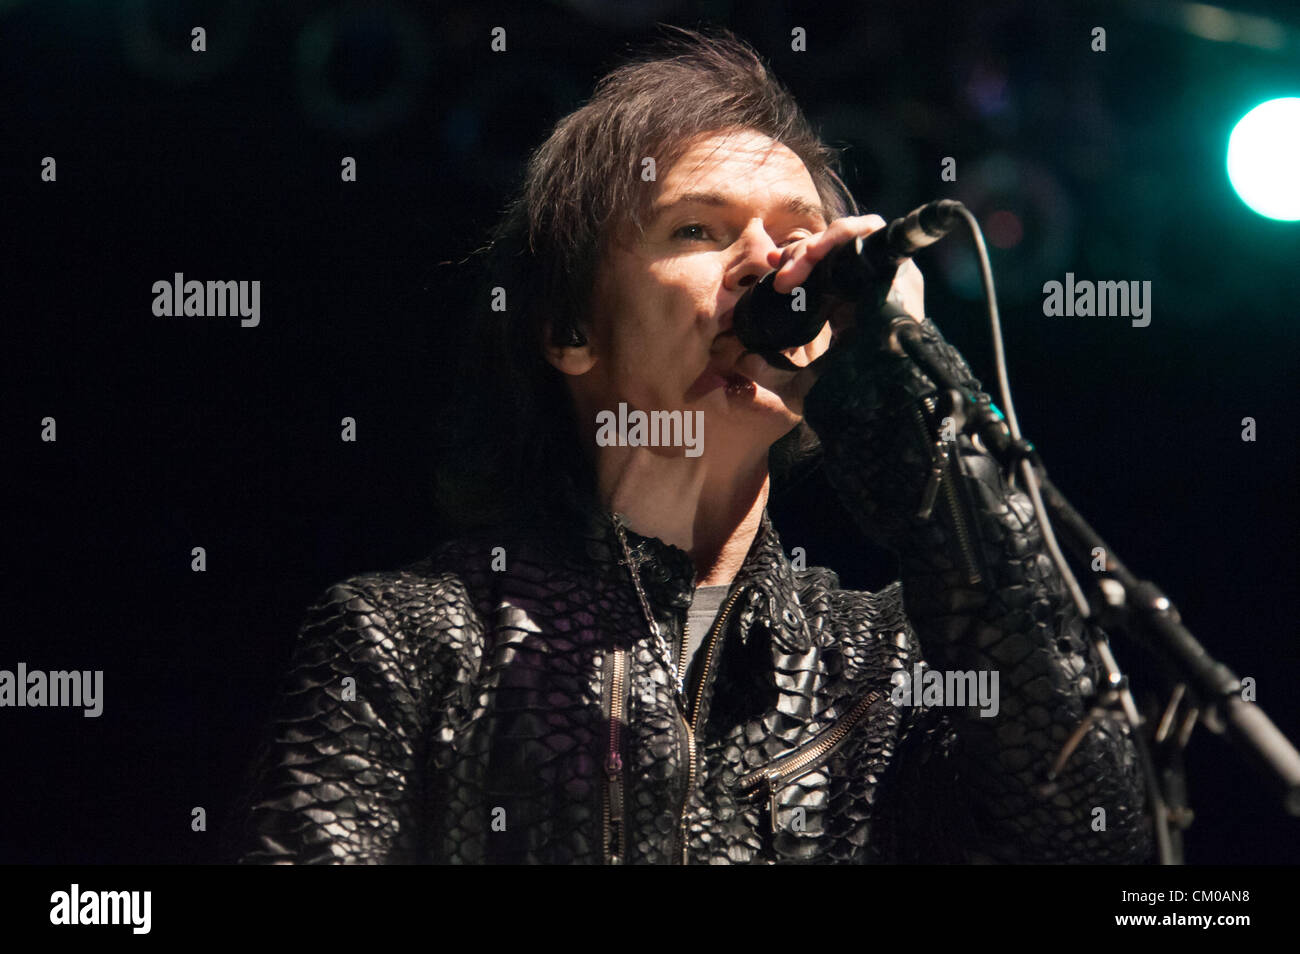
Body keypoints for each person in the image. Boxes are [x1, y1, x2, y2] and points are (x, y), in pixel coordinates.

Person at [227, 26, 1153, 864]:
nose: (765, 262)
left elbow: (1090, 833)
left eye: (798, 238)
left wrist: (919, 432)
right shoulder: (411, 640)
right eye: (698, 230)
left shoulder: (888, 665)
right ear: (569, 329)